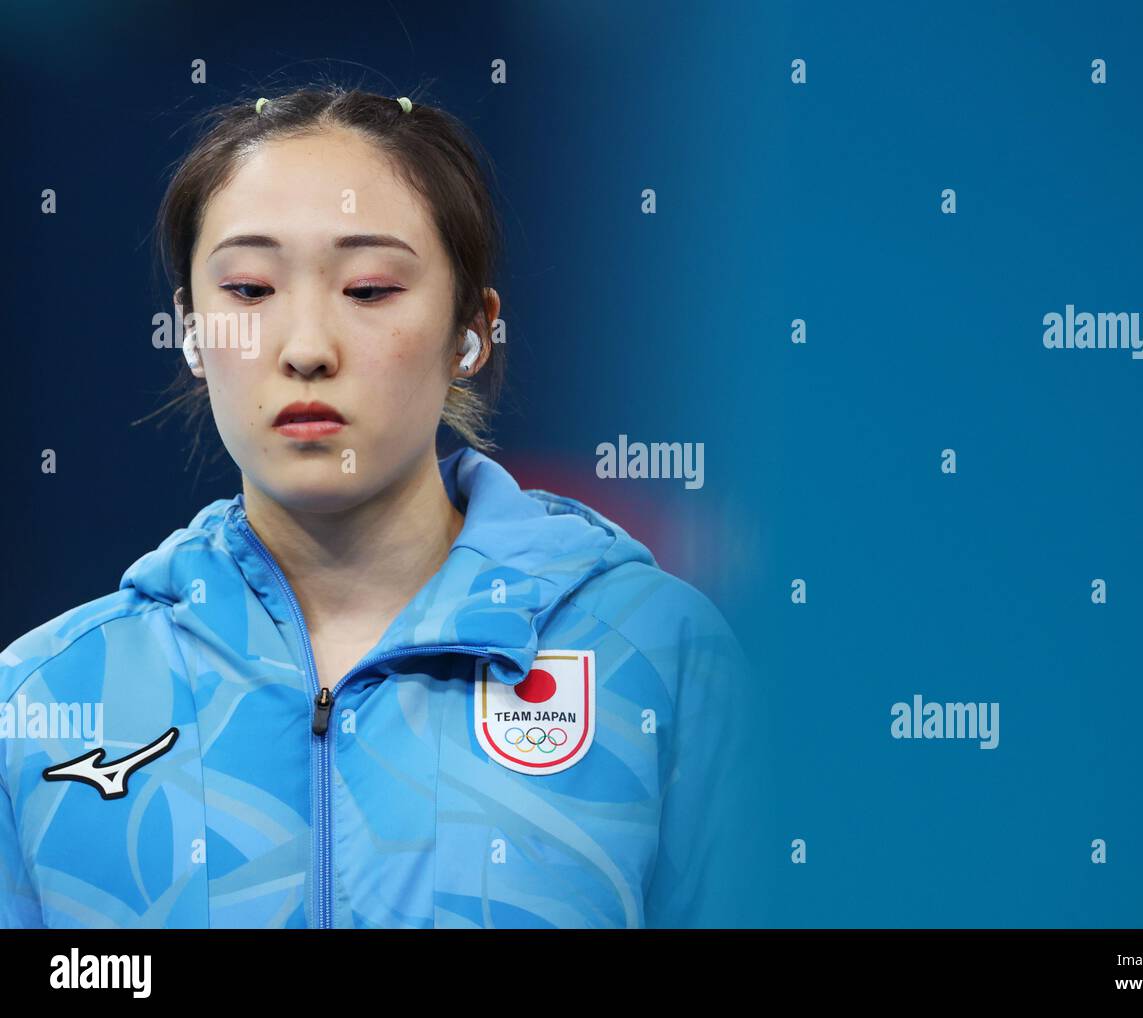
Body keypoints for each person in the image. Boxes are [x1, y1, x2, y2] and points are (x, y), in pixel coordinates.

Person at [0, 85, 747, 928]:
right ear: (191, 333)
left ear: (473, 329)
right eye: (249, 289)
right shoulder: (43, 701)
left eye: (369, 288)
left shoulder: (659, 657)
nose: (308, 348)